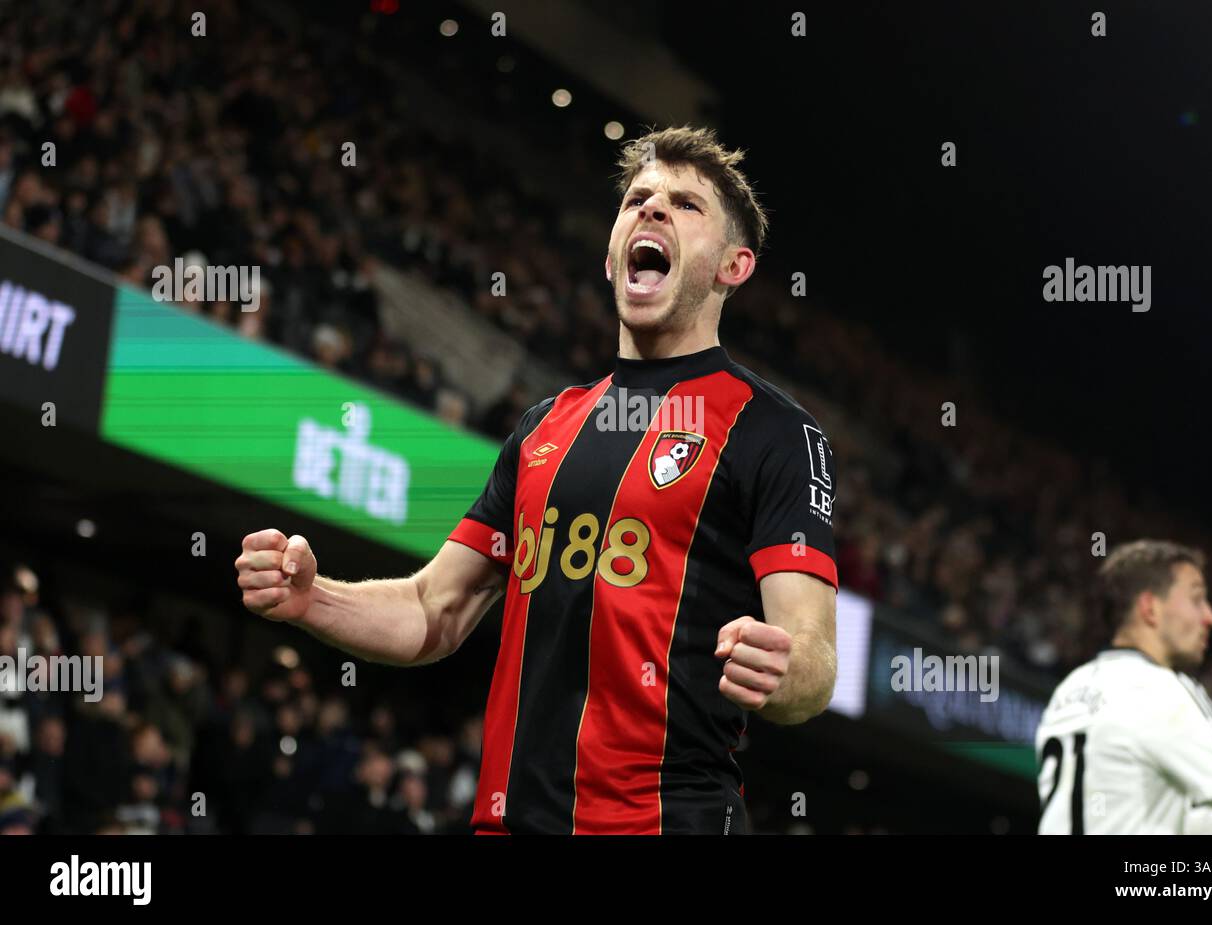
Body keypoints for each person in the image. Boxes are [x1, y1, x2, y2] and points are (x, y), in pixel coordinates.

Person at [236, 126, 839, 834]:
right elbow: (435, 609)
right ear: (610, 251)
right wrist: (313, 599)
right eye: (637, 199)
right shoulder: (543, 427)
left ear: (734, 266)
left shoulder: (773, 432)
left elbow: (813, 658)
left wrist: (785, 671)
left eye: (684, 205)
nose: (650, 211)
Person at [1035, 540, 1212, 834]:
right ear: (1150, 608)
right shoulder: (1166, 691)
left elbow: (1142, 821)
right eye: (1197, 599)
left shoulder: (1071, 688)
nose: (1211, 617)